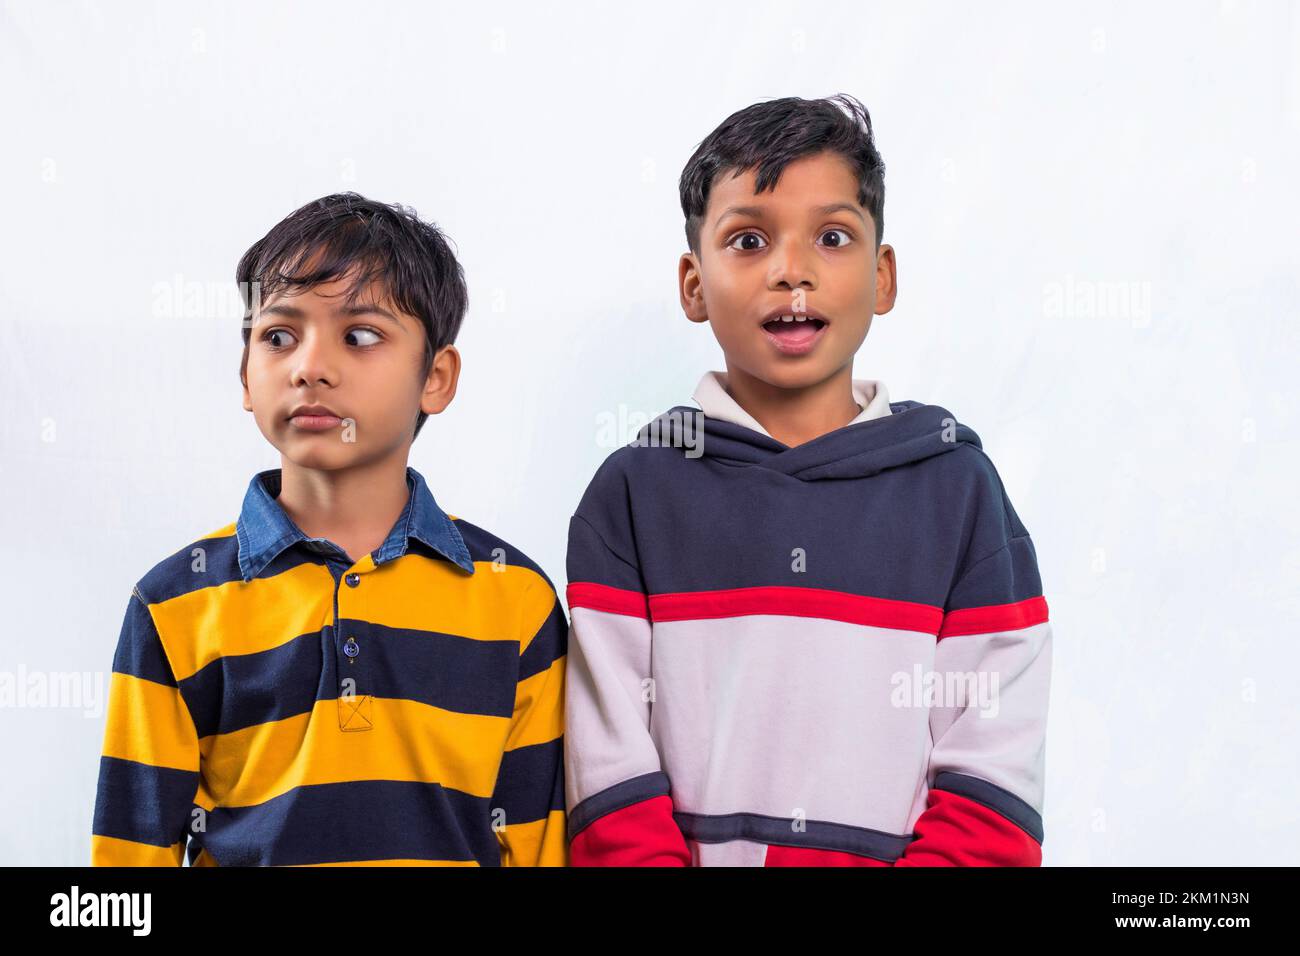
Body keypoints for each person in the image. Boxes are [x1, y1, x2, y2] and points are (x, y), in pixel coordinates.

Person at [563, 94, 1052, 866]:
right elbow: (607, 774)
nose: (792, 271)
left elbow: (993, 774)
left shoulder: (960, 495)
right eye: (749, 240)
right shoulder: (631, 497)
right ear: (693, 284)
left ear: (882, 276)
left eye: (832, 236)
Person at [92, 193, 567, 866]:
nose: (309, 367)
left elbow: (537, 843)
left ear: (436, 377)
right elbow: (130, 861)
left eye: (360, 335)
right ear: (246, 376)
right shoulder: (173, 605)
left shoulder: (514, 599)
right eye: (279, 336)